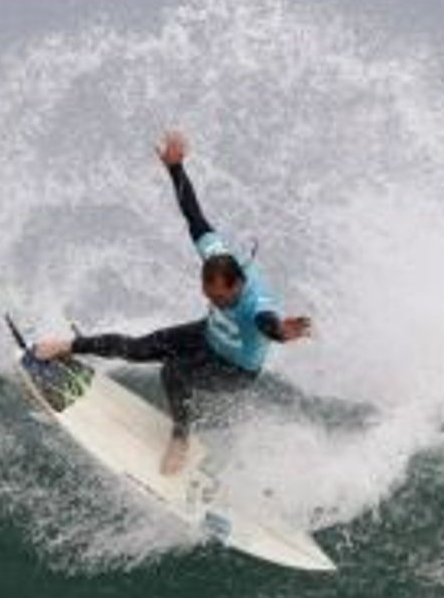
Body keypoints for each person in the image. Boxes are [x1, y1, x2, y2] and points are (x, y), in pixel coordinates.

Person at [34, 130, 312, 475]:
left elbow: (269, 324)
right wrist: (176, 169)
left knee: (175, 371)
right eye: (208, 295)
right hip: (208, 337)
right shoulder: (218, 257)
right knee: (137, 347)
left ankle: (180, 437)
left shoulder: (257, 304)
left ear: (238, 284)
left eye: (220, 297)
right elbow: (193, 215)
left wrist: (283, 333)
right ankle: (69, 345)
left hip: (236, 370)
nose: (212, 300)